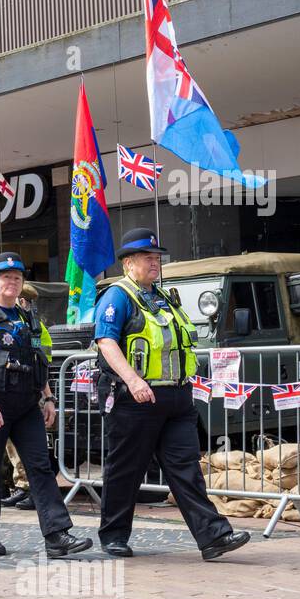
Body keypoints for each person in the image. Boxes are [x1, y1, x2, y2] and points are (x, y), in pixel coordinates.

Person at [93, 227, 251, 561]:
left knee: (186, 469)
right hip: (135, 399)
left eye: (157, 258)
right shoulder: (117, 296)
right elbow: (106, 342)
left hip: (176, 399)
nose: (155, 263)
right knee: (126, 469)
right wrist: (133, 381)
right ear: (129, 262)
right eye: (148, 258)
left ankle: (213, 537)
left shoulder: (162, 296)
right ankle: (114, 536)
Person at [0, 253, 91, 558]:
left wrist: (48, 398)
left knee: (41, 468)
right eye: (6, 277)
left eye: (17, 277)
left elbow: (39, 364)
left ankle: (57, 536)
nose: (12, 282)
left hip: (26, 406)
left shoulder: (32, 321)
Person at [3, 283, 42, 510]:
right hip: (19, 392)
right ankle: (23, 486)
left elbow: (41, 358)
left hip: (27, 393)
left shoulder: (31, 326)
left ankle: (27, 487)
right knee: (14, 449)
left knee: (24, 450)